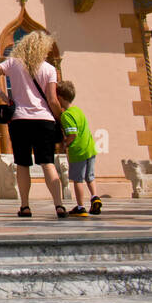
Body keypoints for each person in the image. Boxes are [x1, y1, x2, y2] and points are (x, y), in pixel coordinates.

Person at [0, 31, 67, 219]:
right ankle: (59, 205)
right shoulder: (49, 69)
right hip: (44, 120)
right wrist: (60, 118)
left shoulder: (13, 63)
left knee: (22, 164)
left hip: (19, 120)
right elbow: (53, 99)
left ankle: (25, 206)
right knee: (47, 163)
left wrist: (2, 94)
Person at [57, 81, 100, 217]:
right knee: (90, 176)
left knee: (78, 180)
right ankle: (94, 197)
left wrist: (65, 143)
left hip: (78, 151)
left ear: (60, 97)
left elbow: (72, 133)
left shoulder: (66, 115)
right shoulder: (78, 111)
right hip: (90, 148)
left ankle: (81, 207)